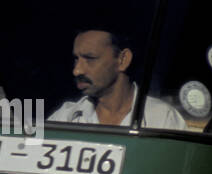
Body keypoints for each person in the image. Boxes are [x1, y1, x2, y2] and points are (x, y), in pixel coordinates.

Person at [47, 27, 185, 129]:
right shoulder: (65, 117)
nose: (77, 70)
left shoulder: (163, 119)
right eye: (76, 59)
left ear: (123, 60)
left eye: (90, 58)